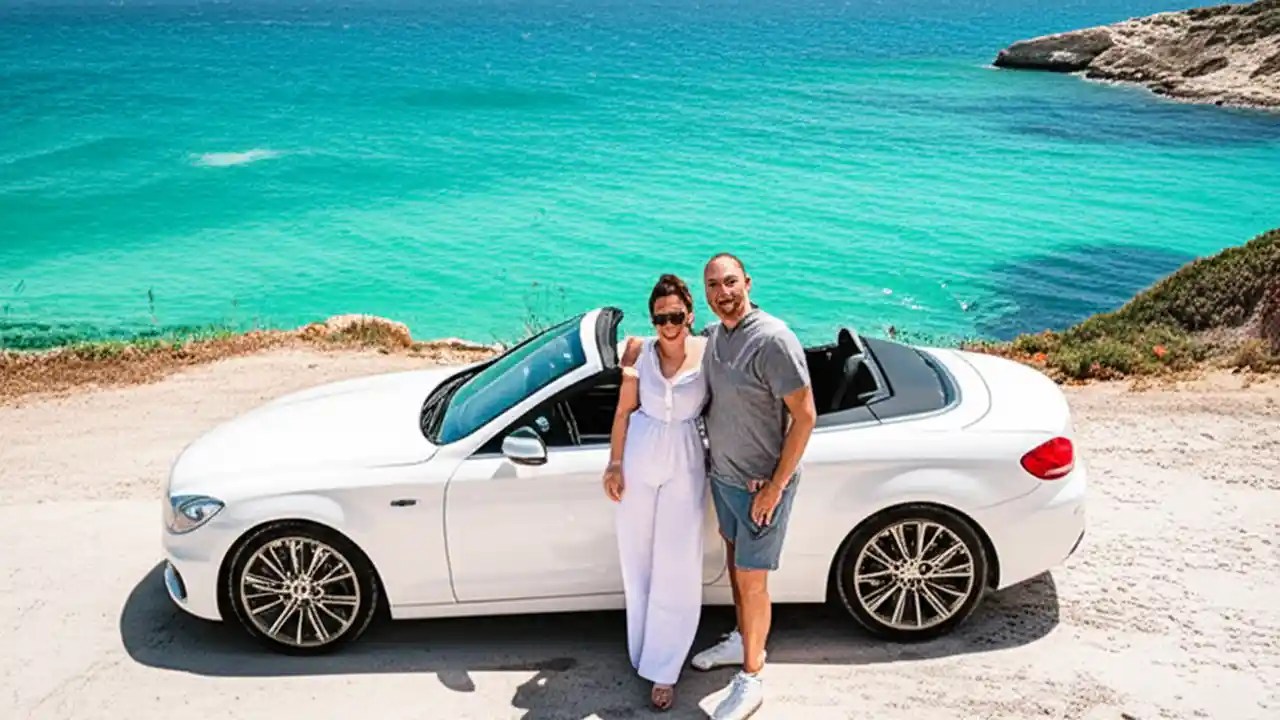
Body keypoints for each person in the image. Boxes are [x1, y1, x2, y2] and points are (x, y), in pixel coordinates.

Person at [690, 252, 817, 720]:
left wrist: (775, 487)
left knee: (753, 581)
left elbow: (806, 417)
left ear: (747, 282)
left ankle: (752, 677)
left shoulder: (773, 340)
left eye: (730, 282)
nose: (722, 293)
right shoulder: (717, 335)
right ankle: (742, 639)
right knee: (734, 564)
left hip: (760, 486)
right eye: (713, 285)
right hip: (724, 478)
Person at [602, 272, 710, 712]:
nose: (669, 325)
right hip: (640, 455)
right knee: (638, 558)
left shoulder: (709, 352)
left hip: (686, 457)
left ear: (690, 315)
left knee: (677, 564)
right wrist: (614, 463)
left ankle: (665, 669)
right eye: (661, 318)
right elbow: (623, 412)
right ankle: (643, 650)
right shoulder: (637, 352)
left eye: (676, 316)